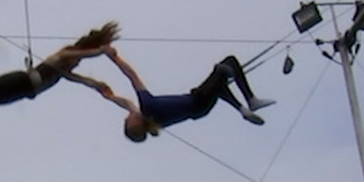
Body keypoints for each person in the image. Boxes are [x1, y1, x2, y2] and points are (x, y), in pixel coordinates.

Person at [88, 45, 275, 142]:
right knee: (224, 68)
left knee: (222, 79)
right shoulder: (148, 106)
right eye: (127, 121)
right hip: (197, 101)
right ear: (136, 123)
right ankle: (249, 102)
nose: (126, 118)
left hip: (199, 107)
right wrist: (115, 58)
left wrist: (110, 97)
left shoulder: (153, 121)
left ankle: (245, 107)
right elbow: (132, 77)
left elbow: (128, 104)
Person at [0, 21, 120, 106]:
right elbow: (74, 58)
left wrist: (96, 84)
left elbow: (75, 78)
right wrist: (100, 51)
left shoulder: (67, 67)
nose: (76, 64)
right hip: (21, 81)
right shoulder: (67, 53)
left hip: (24, 90)